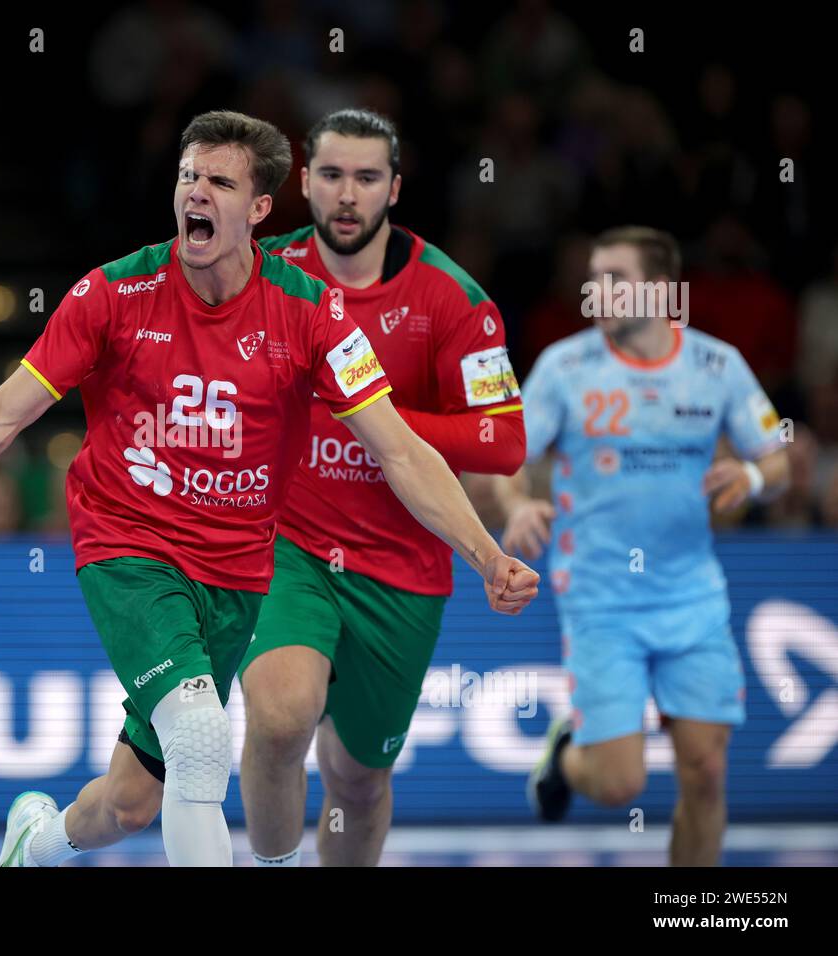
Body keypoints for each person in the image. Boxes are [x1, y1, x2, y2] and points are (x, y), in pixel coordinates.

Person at [0, 111, 539, 867]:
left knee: (132, 801)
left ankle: (36, 843)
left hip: (235, 571)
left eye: (220, 181)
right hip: (129, 548)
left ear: (259, 210)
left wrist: (486, 557)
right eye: (189, 176)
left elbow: (402, 453)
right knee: (200, 737)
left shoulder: (313, 315)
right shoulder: (113, 293)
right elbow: (1, 416)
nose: (197, 192)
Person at [241, 109, 526, 867]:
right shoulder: (263, 272)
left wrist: (380, 419)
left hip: (402, 564)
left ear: (394, 188)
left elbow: (505, 441)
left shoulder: (454, 300)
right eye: (330, 175)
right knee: (278, 717)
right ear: (304, 181)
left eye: (366, 178)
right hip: (285, 545)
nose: (346, 195)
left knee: (358, 780)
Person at [477, 225, 789, 866]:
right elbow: (504, 458)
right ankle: (567, 756)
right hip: (601, 599)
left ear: (662, 291)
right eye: (593, 278)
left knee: (705, 772)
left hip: (692, 597)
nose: (596, 291)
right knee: (623, 784)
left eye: (614, 279)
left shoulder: (717, 365)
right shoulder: (566, 368)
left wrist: (753, 476)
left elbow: (778, 454)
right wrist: (520, 503)